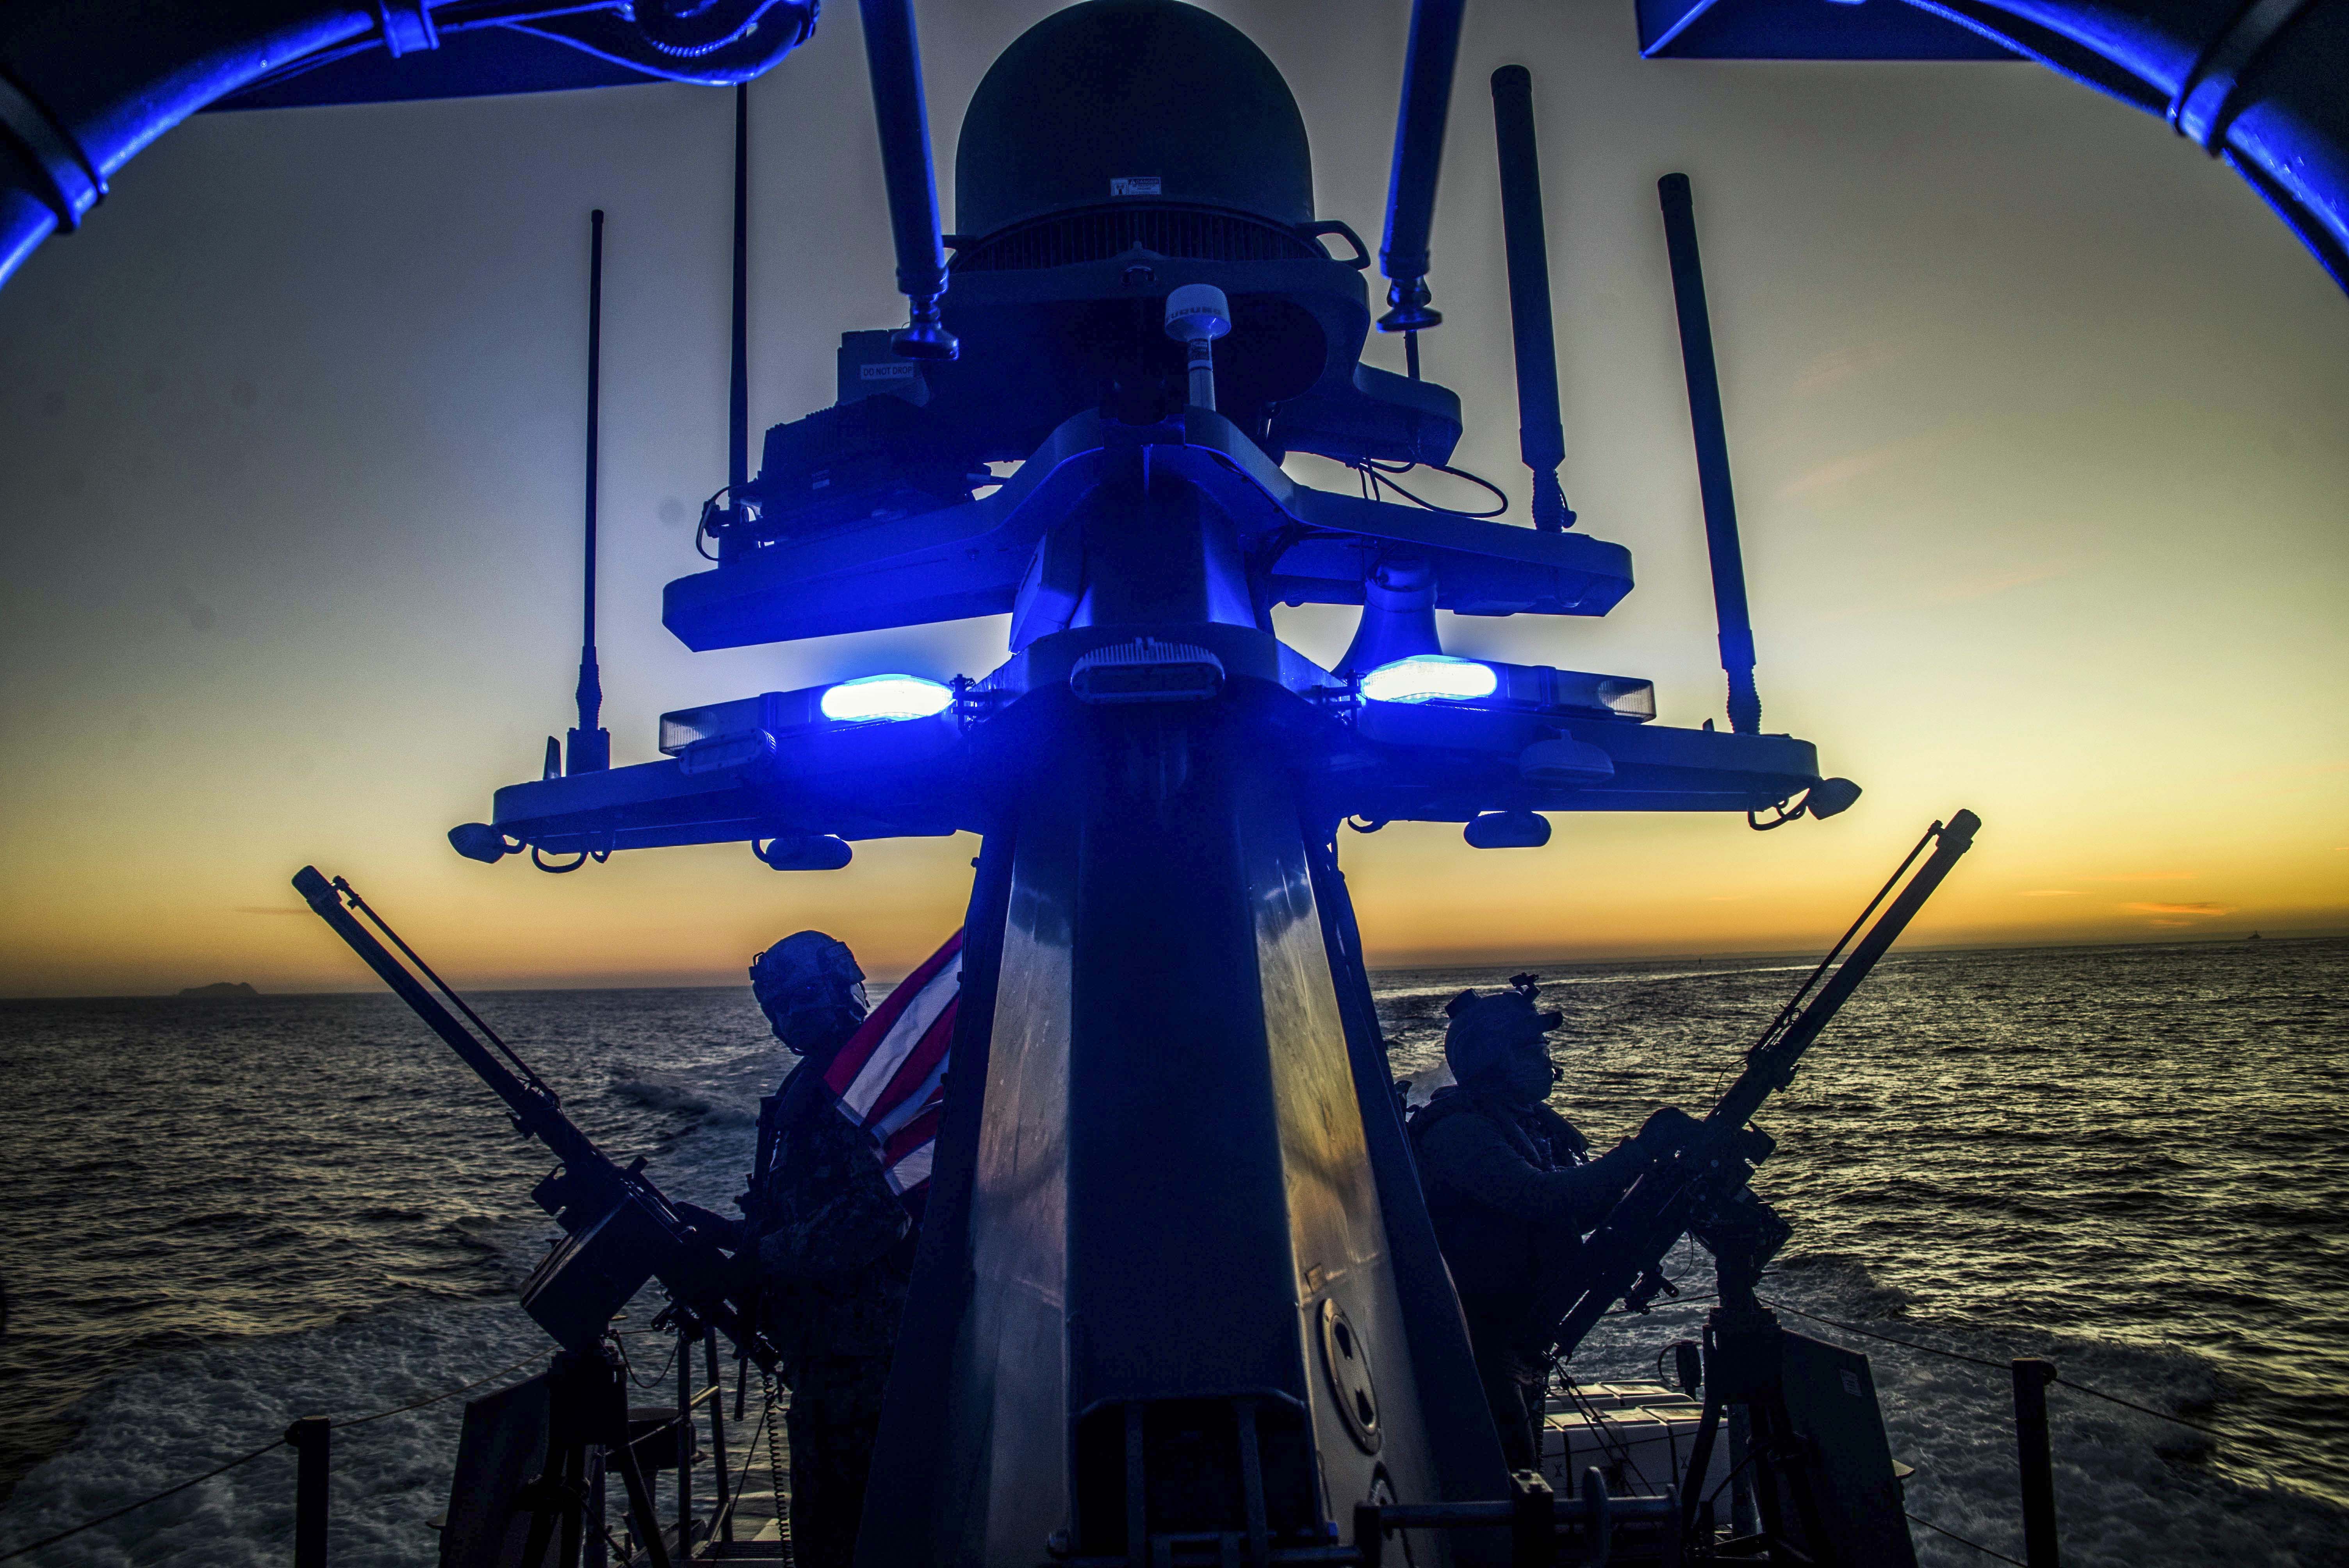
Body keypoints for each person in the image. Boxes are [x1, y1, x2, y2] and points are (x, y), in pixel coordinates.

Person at [1409, 976, 1684, 1469]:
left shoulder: (1520, 1121)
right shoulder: (1459, 1131)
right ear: (1494, 1059)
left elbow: (1577, 1211)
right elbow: (1539, 1198)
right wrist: (1638, 1152)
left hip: (1517, 1336)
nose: (1544, 1060)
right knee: (1506, 1478)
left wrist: (1649, 1175)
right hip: (1478, 1341)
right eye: (1532, 1049)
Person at [740, 931, 918, 1568]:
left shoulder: (864, 1078)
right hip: (827, 1366)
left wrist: (769, 1254)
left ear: (844, 984)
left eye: (805, 993)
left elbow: (881, 1212)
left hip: (868, 1372)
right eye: (779, 1003)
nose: (792, 1013)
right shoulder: (814, 1083)